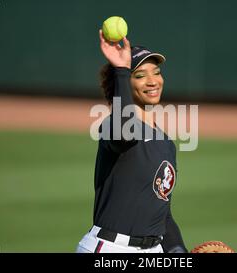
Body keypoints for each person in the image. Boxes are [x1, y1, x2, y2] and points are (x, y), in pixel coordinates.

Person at [75, 29, 187, 253]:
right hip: (111, 248)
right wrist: (121, 71)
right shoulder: (113, 126)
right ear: (126, 82)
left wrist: (177, 250)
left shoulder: (165, 143)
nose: (152, 81)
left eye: (156, 72)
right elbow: (124, 134)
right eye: (140, 75)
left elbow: (162, 212)